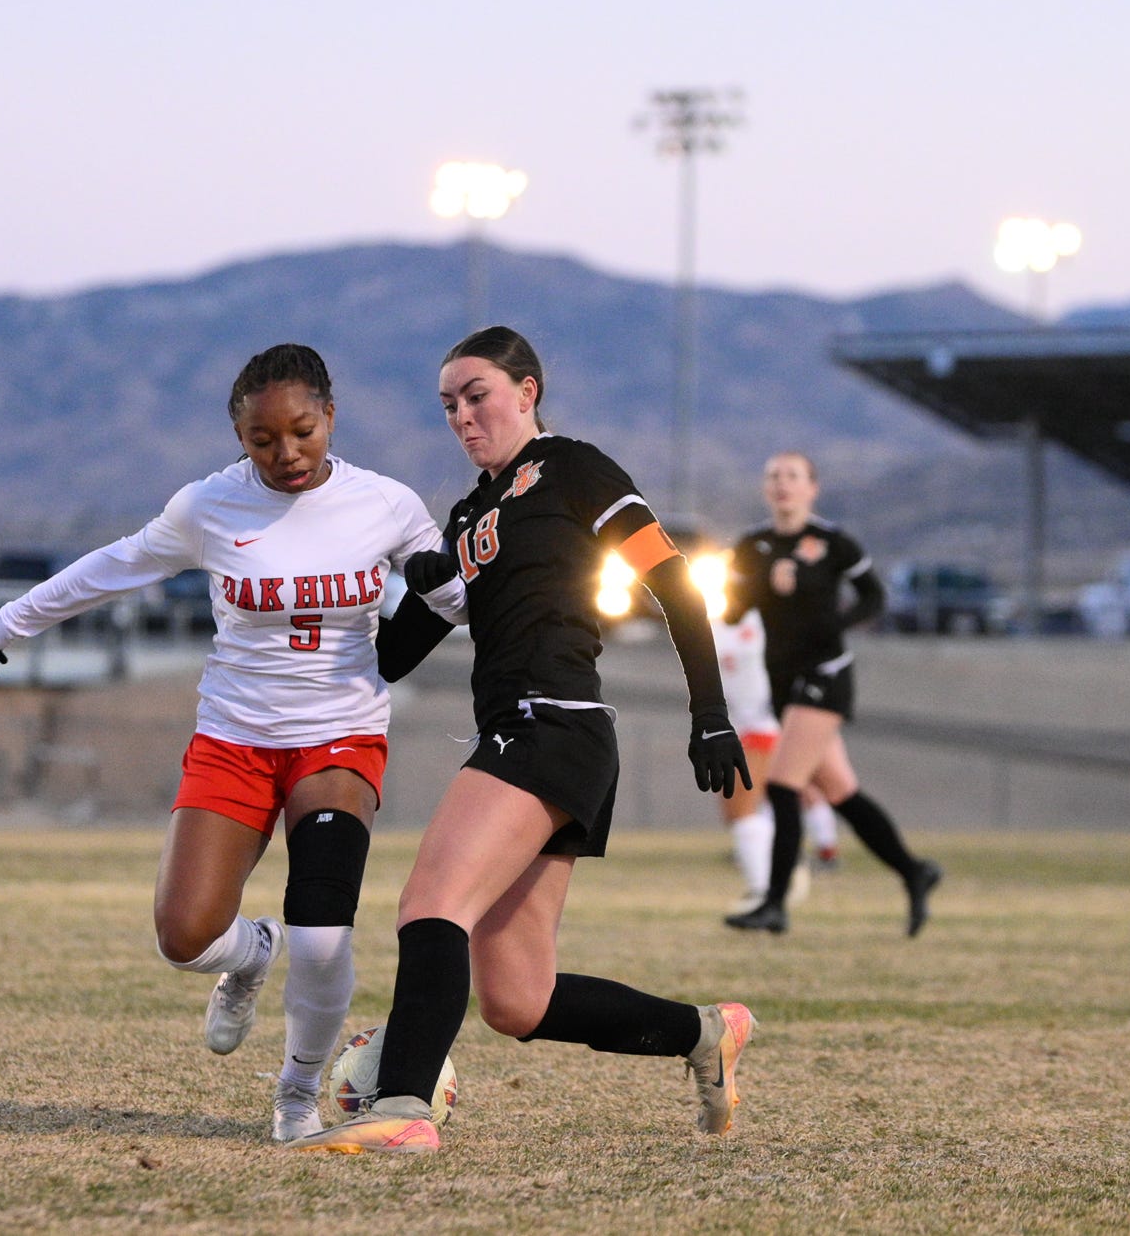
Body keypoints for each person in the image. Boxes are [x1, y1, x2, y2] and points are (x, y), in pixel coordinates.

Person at [0, 344, 463, 1142]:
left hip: (340, 733)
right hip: (234, 735)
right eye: (263, 440)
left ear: (330, 416)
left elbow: (452, 598)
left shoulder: (388, 504)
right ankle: (250, 953)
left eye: (302, 431)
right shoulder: (208, 507)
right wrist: (7, 620)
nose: (286, 453)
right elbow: (115, 566)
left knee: (325, 927)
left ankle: (297, 1097)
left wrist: (452, 589)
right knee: (184, 933)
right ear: (240, 438)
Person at [292, 326, 756, 1156]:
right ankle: (701, 1032)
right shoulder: (470, 512)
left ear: (527, 391)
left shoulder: (573, 466)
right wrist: (427, 590)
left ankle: (402, 1107)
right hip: (536, 734)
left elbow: (672, 578)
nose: (463, 416)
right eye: (448, 406)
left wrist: (710, 711)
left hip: (552, 722)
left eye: (477, 395)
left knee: (431, 903)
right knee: (518, 998)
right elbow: (394, 658)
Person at [720, 451, 942, 937]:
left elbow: (874, 596)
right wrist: (758, 585)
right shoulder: (751, 545)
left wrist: (832, 626)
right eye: (774, 475)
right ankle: (913, 870)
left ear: (811, 488)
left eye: (793, 476)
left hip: (825, 674)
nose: (782, 484)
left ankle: (774, 905)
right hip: (782, 681)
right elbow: (734, 614)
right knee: (842, 793)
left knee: (781, 784)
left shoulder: (831, 542)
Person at [712, 609, 840, 910]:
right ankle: (779, 874)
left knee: (745, 807)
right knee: (741, 810)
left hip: (761, 724)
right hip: (737, 726)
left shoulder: (763, 618)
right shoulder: (714, 621)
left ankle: (767, 887)